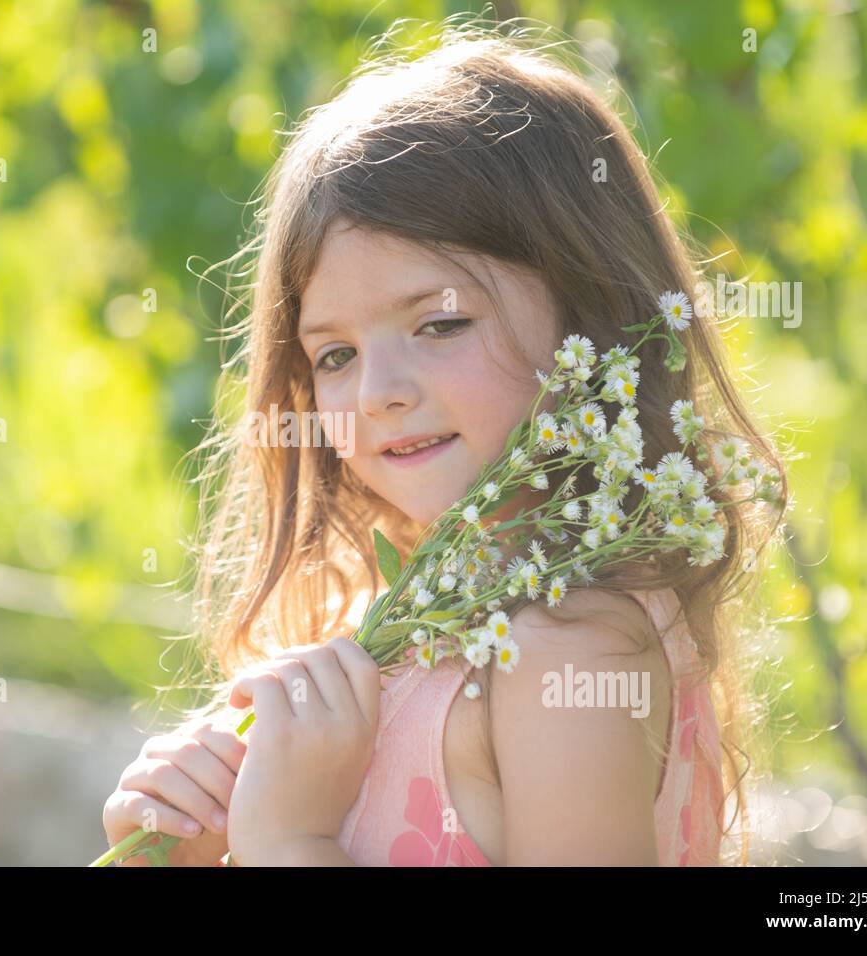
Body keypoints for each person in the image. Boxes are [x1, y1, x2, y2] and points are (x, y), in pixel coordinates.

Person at [102, 19, 787, 867]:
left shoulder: (566, 654)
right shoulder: (381, 631)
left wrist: (288, 838)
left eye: (440, 323)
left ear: (589, 314)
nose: (380, 391)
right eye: (337, 354)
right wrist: (189, 847)